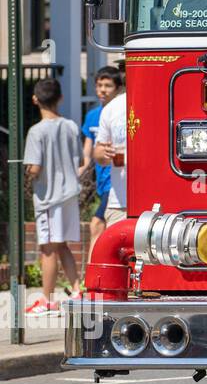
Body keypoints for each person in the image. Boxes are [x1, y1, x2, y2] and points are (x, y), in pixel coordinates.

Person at [22, 78, 82, 315]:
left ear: (35, 100)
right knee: (62, 245)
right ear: (61, 98)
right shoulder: (70, 126)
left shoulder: (36, 131)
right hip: (69, 194)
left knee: (47, 248)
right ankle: (77, 290)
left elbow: (35, 168)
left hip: (49, 197)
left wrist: (27, 174)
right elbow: (78, 159)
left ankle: (46, 300)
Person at [80, 65, 123, 272]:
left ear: (118, 88)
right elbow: (88, 150)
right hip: (102, 179)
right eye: (99, 85)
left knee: (97, 225)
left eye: (107, 85)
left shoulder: (121, 110)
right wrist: (83, 166)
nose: (102, 90)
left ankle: (92, 274)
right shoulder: (93, 116)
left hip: (114, 182)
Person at [94, 83, 129, 226]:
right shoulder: (112, 108)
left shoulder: (161, 100)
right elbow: (98, 153)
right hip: (119, 201)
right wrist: (103, 153)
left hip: (157, 200)